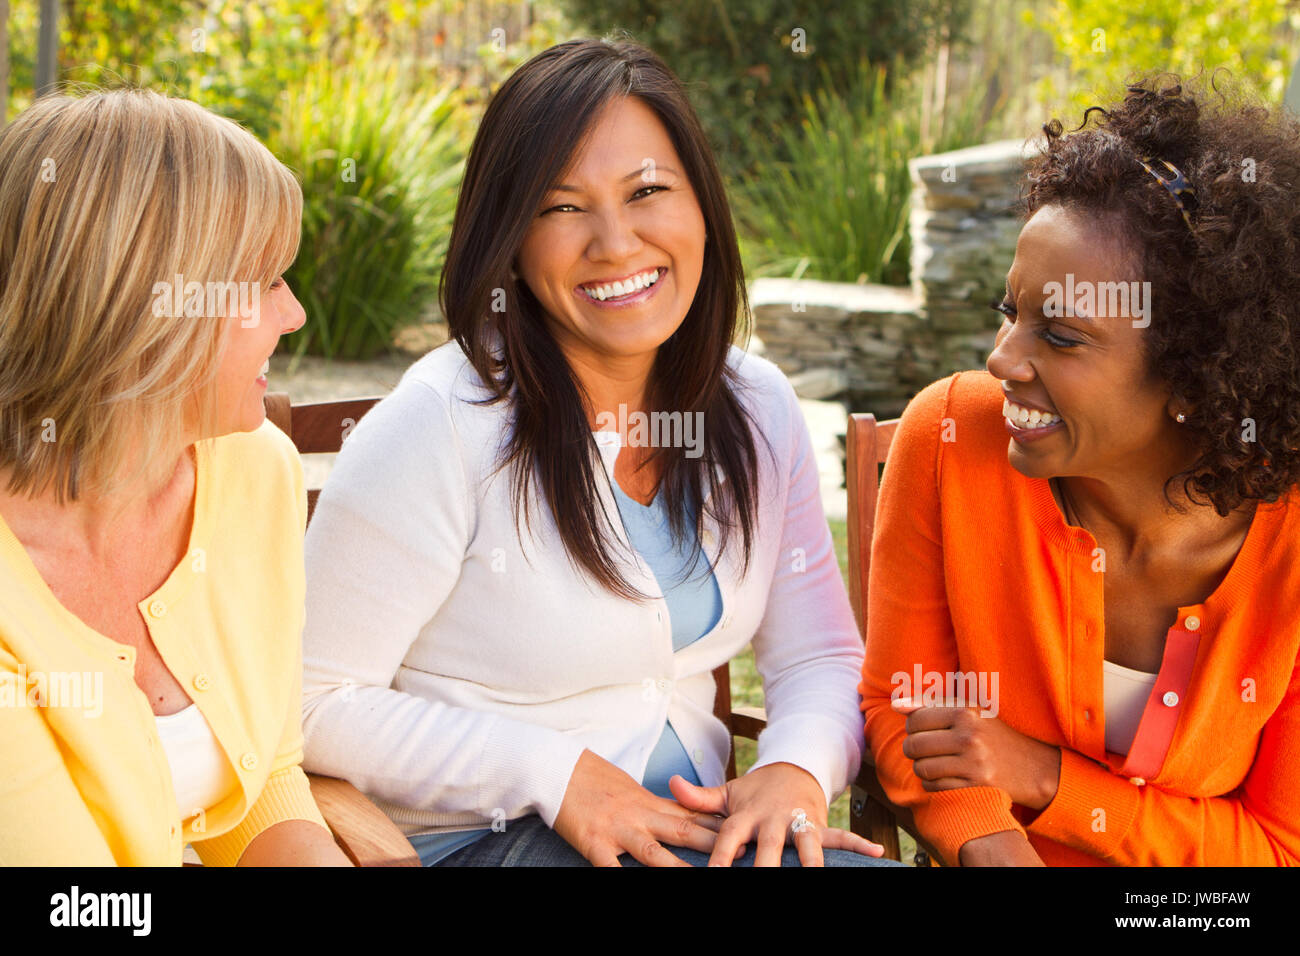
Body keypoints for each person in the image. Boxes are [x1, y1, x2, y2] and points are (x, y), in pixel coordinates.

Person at [299, 38, 894, 867]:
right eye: (561, 207)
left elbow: (819, 655)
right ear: (508, 241)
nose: (615, 243)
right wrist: (552, 774)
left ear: (702, 208)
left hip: (694, 839)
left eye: (648, 190)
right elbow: (309, 699)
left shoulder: (758, 409)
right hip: (489, 842)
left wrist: (795, 768)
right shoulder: (438, 425)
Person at [860, 74, 1300, 866]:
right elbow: (907, 704)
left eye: (1060, 336)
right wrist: (989, 839)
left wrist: (1044, 777)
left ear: (1196, 377)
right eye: (1010, 312)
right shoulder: (951, 439)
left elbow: (1276, 846)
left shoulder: (1289, 547)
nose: (1003, 360)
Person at [0, 89, 350, 866]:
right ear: (139, 309)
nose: (292, 315)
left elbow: (262, 780)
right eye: (263, 283)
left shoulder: (256, 473)